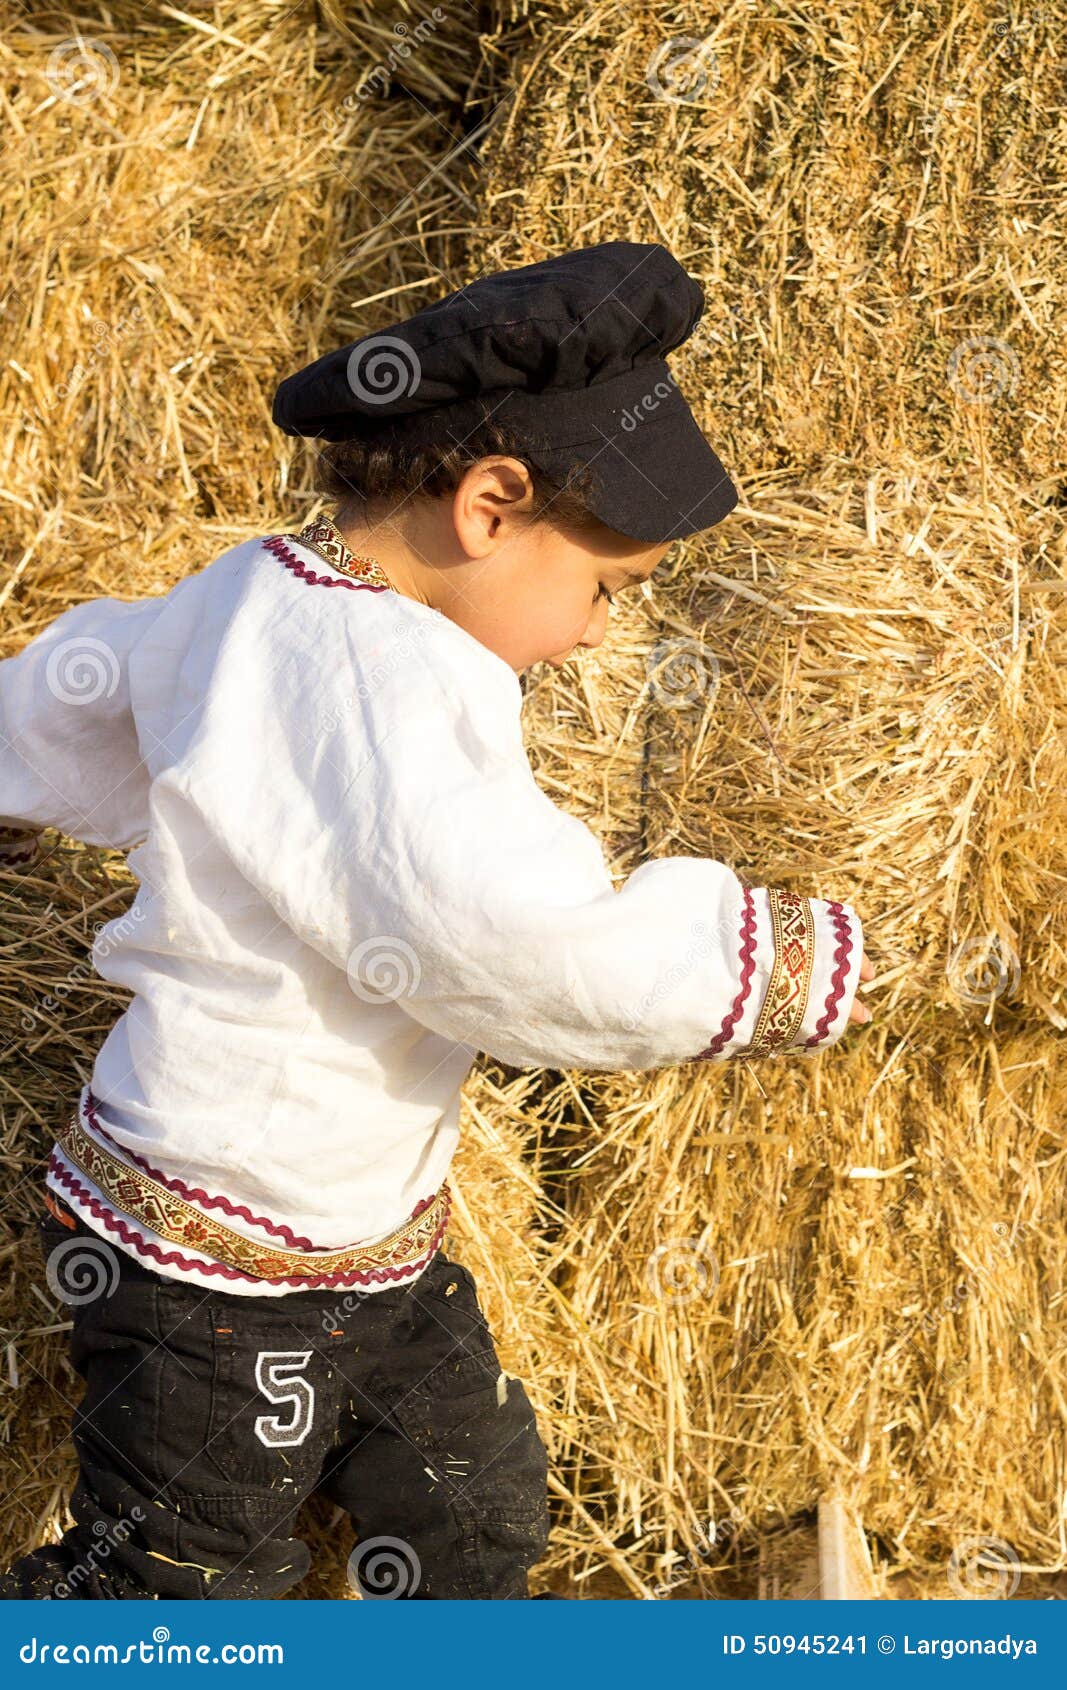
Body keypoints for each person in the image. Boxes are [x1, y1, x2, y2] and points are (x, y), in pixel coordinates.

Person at [0, 241, 873, 1600]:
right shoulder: (387, 693)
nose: (595, 635)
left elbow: (78, 685)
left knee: (473, 1503)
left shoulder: (259, 584)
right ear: (490, 504)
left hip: (363, 1244)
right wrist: (755, 966)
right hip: (214, 1274)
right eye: (607, 588)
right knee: (189, 1578)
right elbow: (507, 938)